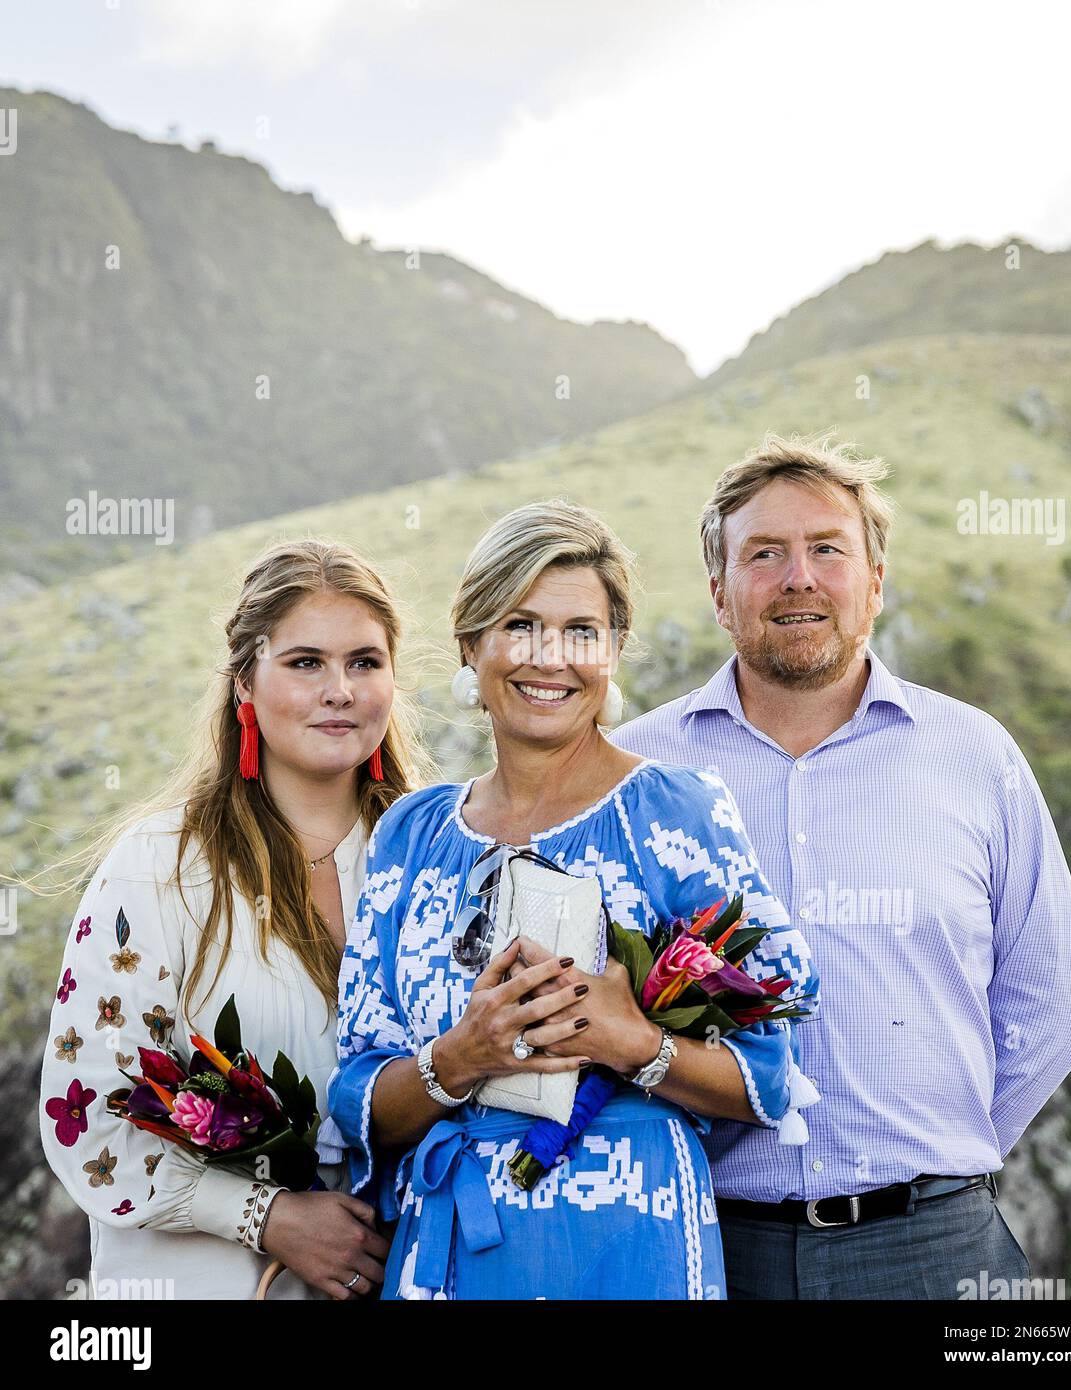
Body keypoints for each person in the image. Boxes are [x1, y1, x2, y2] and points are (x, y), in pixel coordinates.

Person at [610, 432, 1071, 1300]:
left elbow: (1051, 1006)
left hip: (939, 1253)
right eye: (763, 553)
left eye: (826, 549)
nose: (797, 576)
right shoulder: (633, 773)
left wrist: (930, 1160)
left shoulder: (972, 755)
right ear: (719, 593)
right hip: (712, 1251)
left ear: (873, 581)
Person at [321, 499, 821, 1300]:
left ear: (614, 649)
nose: (549, 658)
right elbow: (357, 1100)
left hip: (627, 1251)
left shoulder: (673, 813)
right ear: (470, 646)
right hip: (442, 1249)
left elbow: (766, 1077)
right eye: (519, 625)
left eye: (581, 631)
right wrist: (460, 1059)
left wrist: (634, 1043)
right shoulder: (410, 834)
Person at [39, 539, 434, 1299]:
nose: (340, 691)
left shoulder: (435, 860)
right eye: (305, 662)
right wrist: (266, 1214)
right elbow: (84, 1113)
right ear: (244, 684)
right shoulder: (162, 866)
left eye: (364, 662)